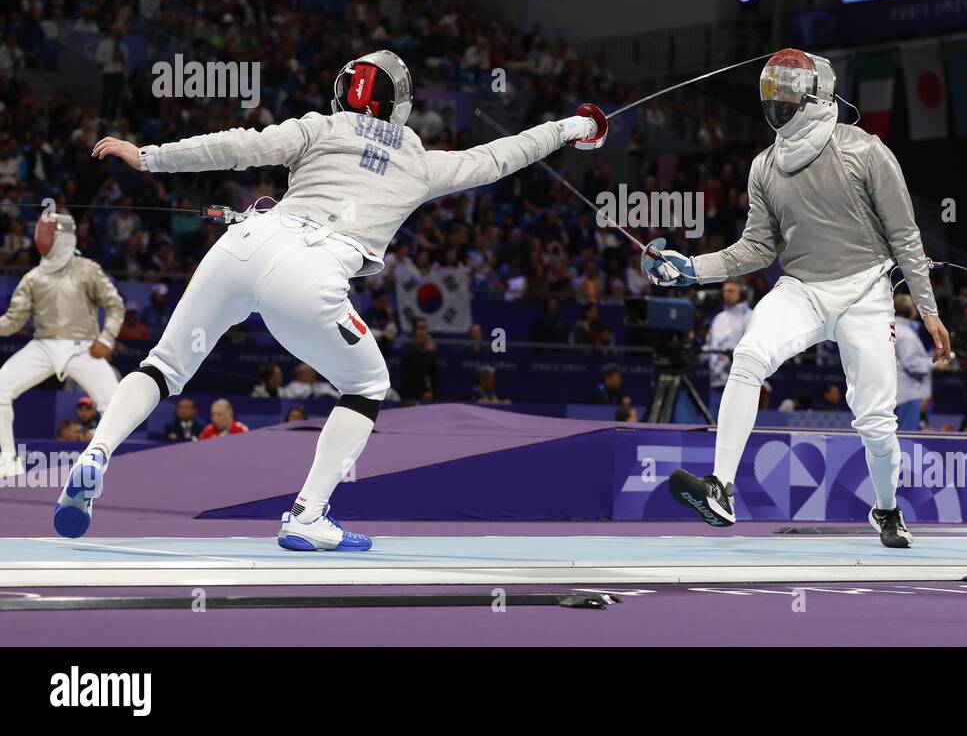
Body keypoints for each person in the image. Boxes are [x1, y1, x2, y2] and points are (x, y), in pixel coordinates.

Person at [56, 49, 605, 551]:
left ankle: (97, 452)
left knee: (165, 365)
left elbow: (241, 145)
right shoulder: (419, 161)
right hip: (310, 272)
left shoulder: (320, 127)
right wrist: (574, 126)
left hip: (246, 243)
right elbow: (501, 157)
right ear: (399, 105)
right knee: (367, 384)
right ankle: (306, 514)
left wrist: (148, 156)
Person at [645, 48, 951, 549]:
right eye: (772, 94)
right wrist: (692, 269)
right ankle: (720, 487)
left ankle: (888, 509)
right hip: (803, 289)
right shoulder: (764, 166)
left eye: (787, 93)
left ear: (816, 94)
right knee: (748, 355)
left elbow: (906, 236)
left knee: (875, 419)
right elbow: (757, 247)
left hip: (867, 292)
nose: (778, 102)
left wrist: (930, 310)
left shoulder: (866, 151)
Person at [0, 213, 124, 478]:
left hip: (83, 347)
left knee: (116, 404)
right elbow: (12, 321)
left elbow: (115, 305)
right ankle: (8, 461)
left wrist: (106, 339)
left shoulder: (87, 269)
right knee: (0, 388)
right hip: (43, 346)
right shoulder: (34, 277)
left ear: (63, 238)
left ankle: (105, 464)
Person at [893, 293, 941, 432]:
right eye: (914, 306)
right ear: (909, 309)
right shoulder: (906, 333)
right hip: (908, 394)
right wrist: (935, 364)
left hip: (899, 392)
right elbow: (912, 363)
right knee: (906, 439)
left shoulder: (893, 328)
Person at [703, 278, 751, 415]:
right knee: (714, 424)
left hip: (738, 382)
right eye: (725, 291)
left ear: (743, 293)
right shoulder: (719, 318)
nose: (726, 294)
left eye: (731, 291)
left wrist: (735, 354)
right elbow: (709, 345)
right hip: (716, 381)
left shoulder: (749, 317)